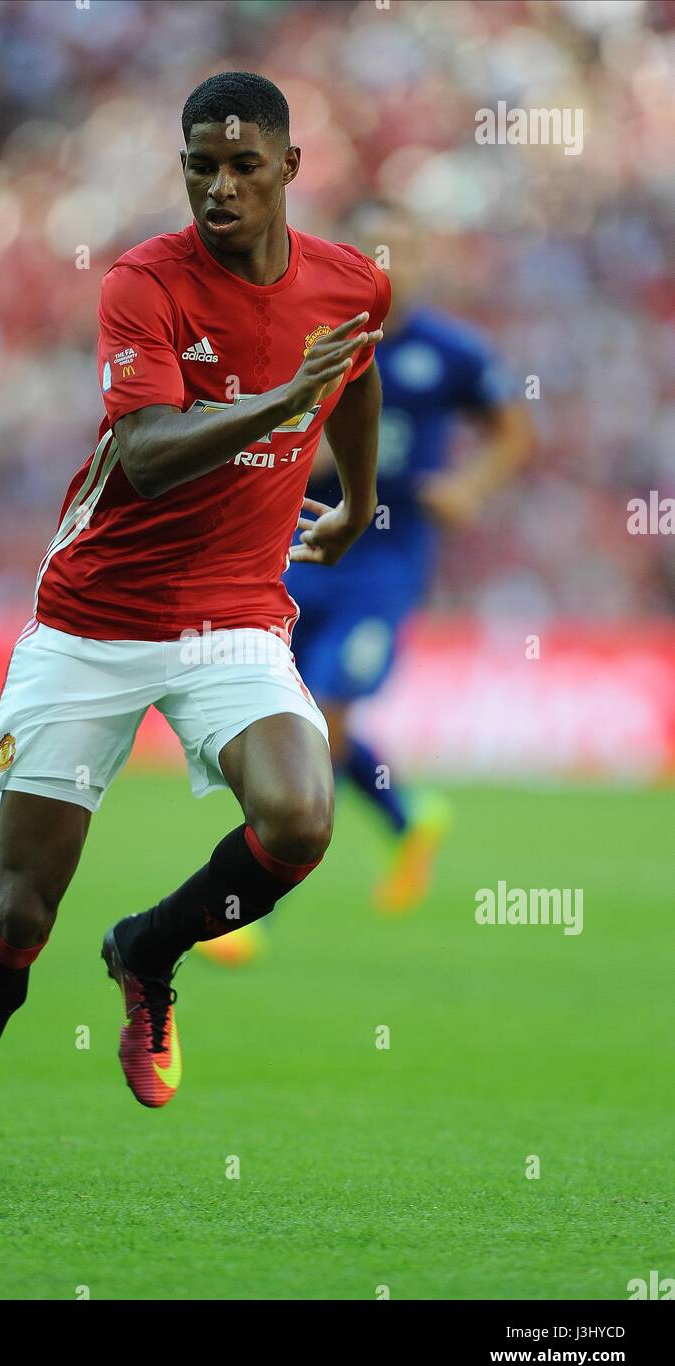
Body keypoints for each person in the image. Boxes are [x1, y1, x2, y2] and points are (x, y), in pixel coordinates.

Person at [0, 71, 390, 1186]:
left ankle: (148, 949)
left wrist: (352, 501)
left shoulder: (348, 285)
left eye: (241, 166)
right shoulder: (142, 283)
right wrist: (277, 403)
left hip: (234, 614)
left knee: (302, 817)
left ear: (289, 170)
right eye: (197, 165)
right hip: (92, 621)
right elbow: (152, 453)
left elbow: (351, 370)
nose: (217, 186)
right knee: (18, 911)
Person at [197, 200, 533, 966]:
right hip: (299, 552)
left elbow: (513, 430)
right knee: (277, 719)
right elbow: (262, 430)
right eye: (374, 253)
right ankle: (405, 814)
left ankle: (248, 909)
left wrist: (472, 486)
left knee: (321, 726)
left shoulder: (451, 351)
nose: (390, 266)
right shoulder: (309, 336)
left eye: (404, 251)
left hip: (384, 564)